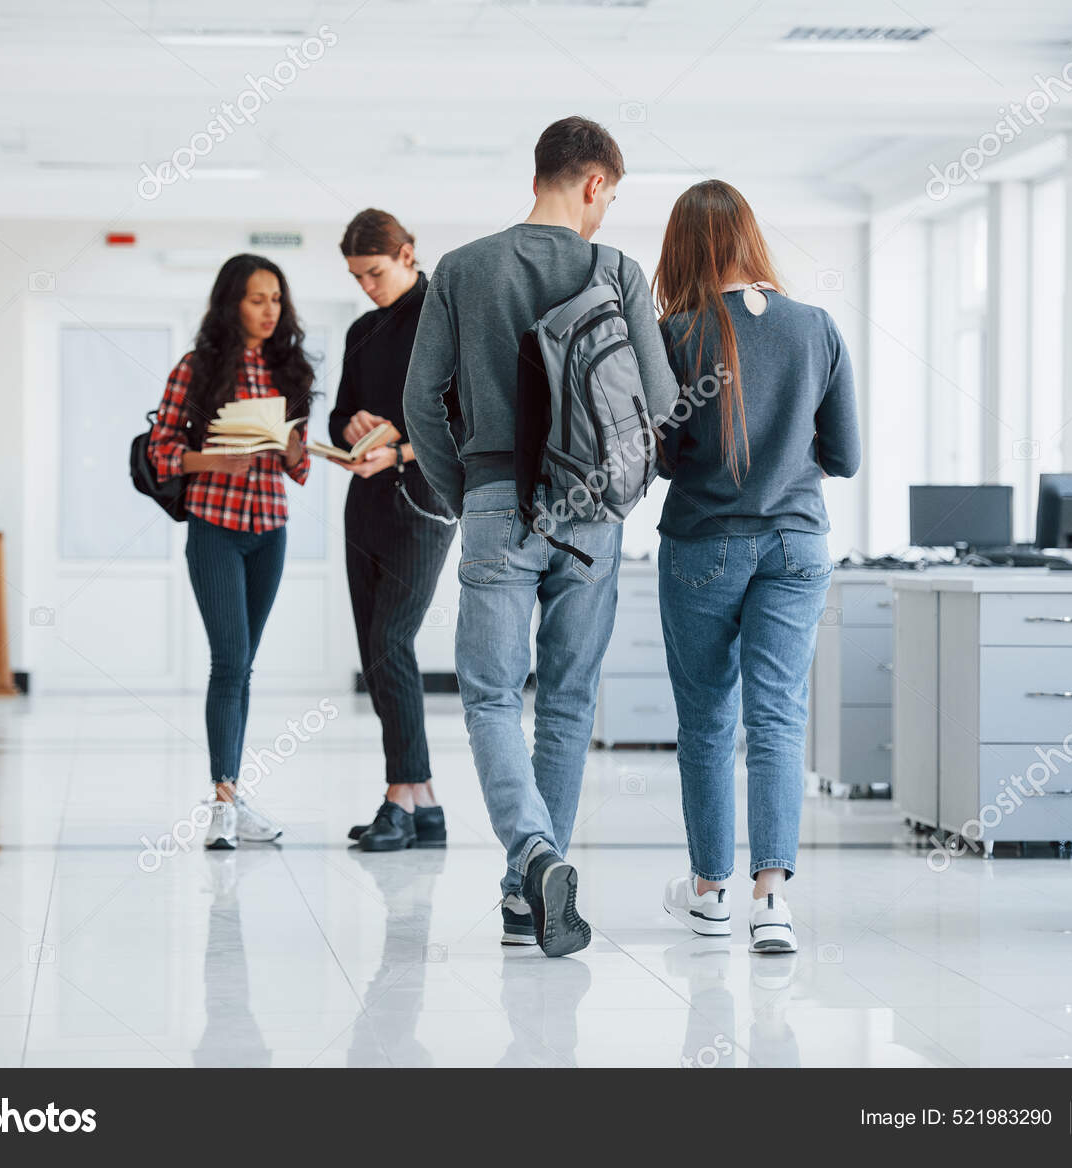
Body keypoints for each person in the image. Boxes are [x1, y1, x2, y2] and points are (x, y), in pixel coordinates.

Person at [403, 116, 680, 956]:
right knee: (566, 704)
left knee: (488, 697)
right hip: (591, 516)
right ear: (592, 183)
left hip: (494, 502)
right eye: (611, 195)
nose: (606, 211)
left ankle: (531, 859)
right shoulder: (616, 270)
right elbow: (662, 409)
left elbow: (422, 402)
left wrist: (468, 496)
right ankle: (530, 894)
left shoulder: (460, 268)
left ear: (541, 174)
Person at [651, 179, 859, 953]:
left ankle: (710, 892)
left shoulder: (677, 334)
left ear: (682, 249)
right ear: (750, 238)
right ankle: (772, 901)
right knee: (778, 718)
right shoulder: (817, 327)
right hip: (798, 547)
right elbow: (846, 456)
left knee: (707, 720)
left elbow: (665, 456)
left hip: (705, 545)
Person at [147, 254, 314, 850]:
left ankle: (232, 792)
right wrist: (210, 458)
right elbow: (161, 452)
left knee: (243, 666)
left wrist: (296, 449)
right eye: (255, 299)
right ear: (231, 304)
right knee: (229, 661)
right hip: (215, 526)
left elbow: (297, 470)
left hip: (270, 529)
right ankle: (222, 802)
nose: (269, 311)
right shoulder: (197, 368)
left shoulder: (287, 369)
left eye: (275, 299)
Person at [329, 209, 459, 852]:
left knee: (390, 641)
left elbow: (465, 421)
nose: (367, 287)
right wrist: (349, 429)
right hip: (365, 501)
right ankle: (423, 801)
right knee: (373, 650)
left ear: (408, 254)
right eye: (357, 277)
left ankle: (399, 795)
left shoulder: (446, 318)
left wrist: (402, 451)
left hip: (422, 500)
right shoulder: (360, 329)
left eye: (375, 273)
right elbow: (335, 416)